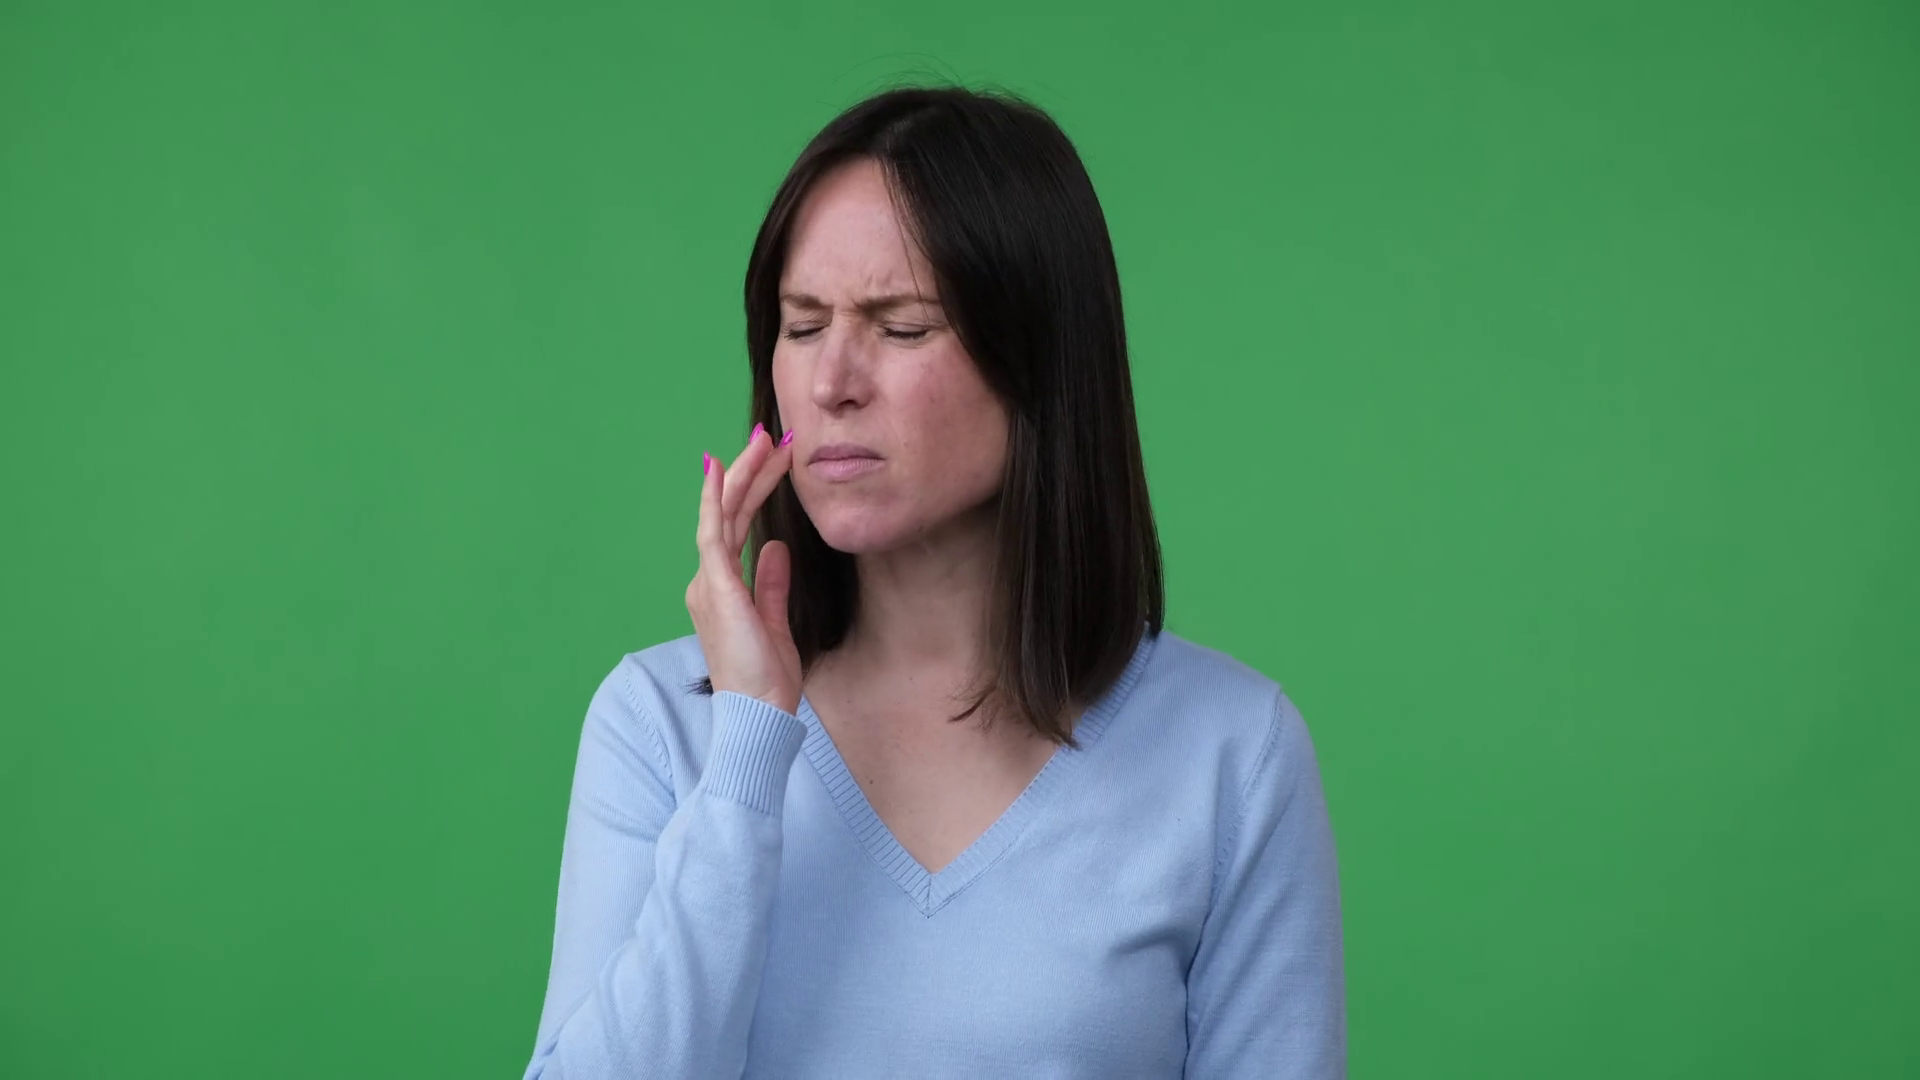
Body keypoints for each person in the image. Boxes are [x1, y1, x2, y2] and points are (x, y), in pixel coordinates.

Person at [520, 84, 1345, 1079]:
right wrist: (746, 750)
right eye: (801, 325)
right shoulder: (658, 724)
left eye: (901, 327)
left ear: (1039, 362)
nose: (833, 383)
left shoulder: (1233, 755)